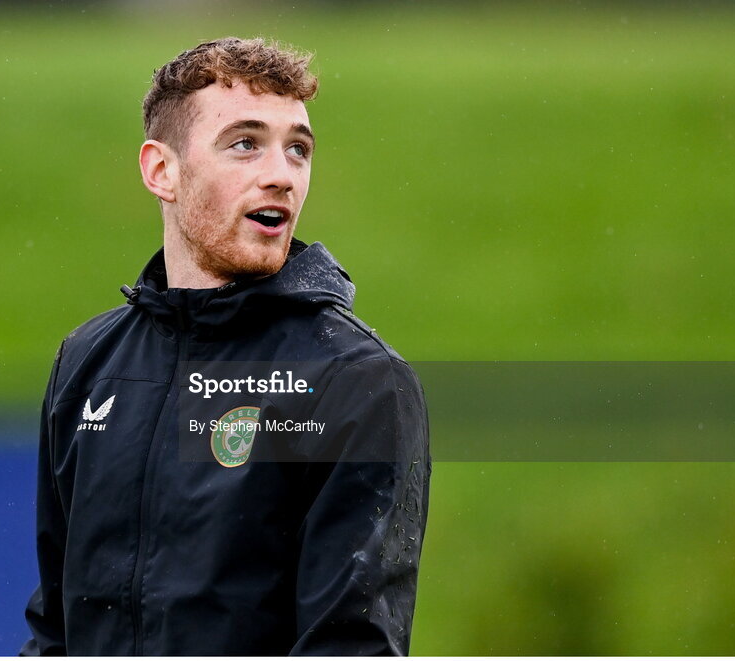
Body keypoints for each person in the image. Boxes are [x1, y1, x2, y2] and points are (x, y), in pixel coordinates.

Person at [21, 37, 430, 656]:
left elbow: (349, 647)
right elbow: (55, 633)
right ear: (162, 170)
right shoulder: (88, 363)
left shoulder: (356, 380)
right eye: (245, 143)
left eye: (298, 149)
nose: (281, 175)